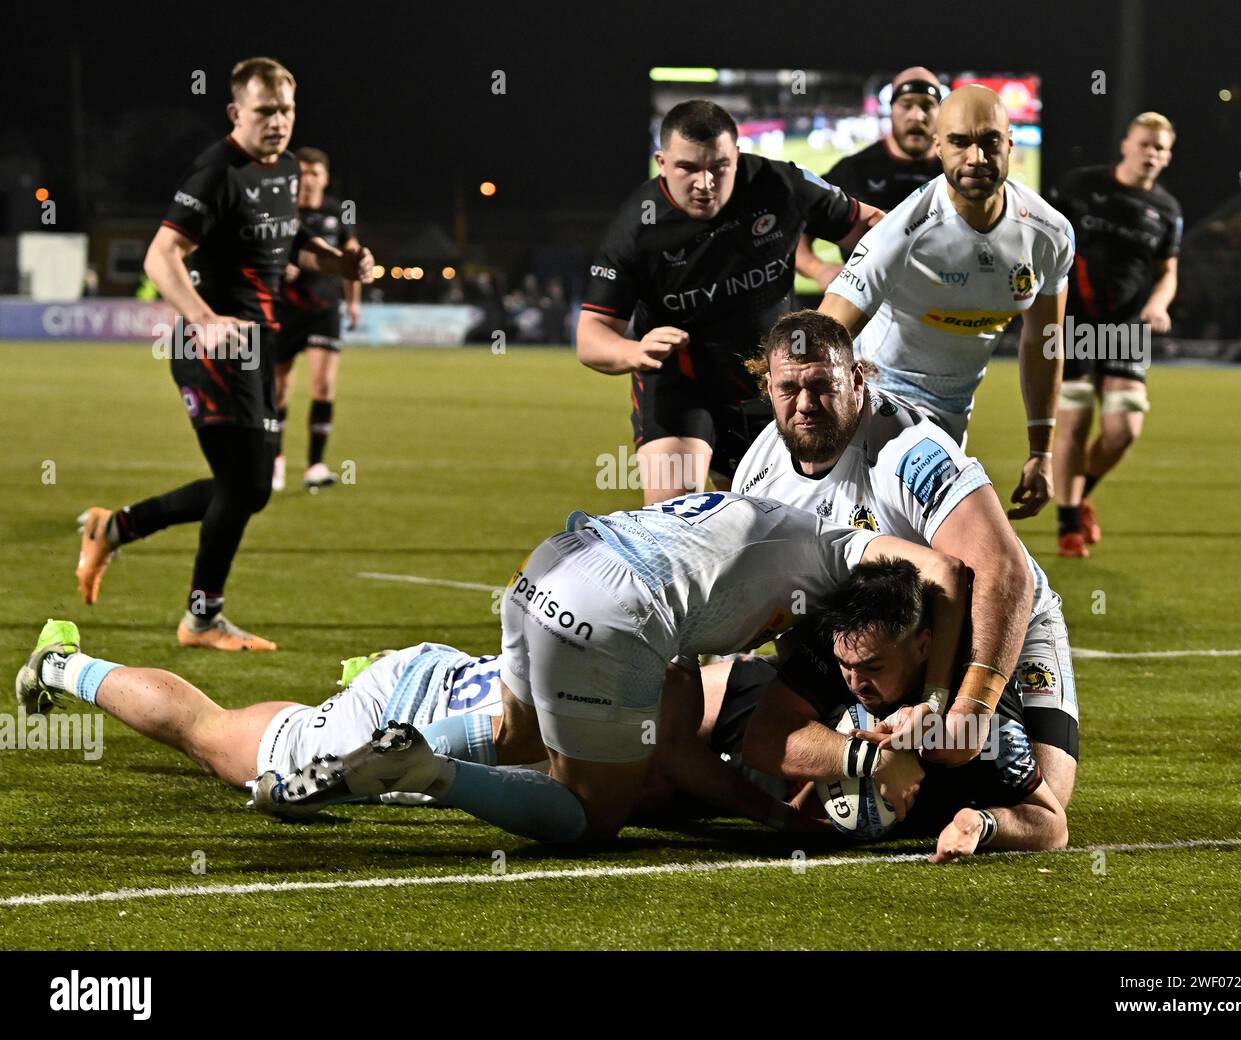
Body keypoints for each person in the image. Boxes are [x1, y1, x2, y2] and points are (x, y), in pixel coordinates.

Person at [252, 492, 971, 844]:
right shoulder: (844, 549)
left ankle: (345, 772)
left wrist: (777, 821)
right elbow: (946, 570)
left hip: (550, 567)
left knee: (515, 734)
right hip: (617, 609)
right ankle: (429, 772)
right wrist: (937, 701)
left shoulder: (753, 555)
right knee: (592, 819)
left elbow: (681, 741)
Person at [74, 57, 373, 651]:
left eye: (287, 110)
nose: (279, 122)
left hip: (256, 341)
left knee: (252, 488)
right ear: (237, 112)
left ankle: (115, 527)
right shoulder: (215, 171)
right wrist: (204, 320)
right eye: (266, 111)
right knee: (242, 486)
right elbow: (163, 255)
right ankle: (201, 618)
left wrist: (339, 264)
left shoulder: (286, 169)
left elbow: (289, 246)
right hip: (209, 343)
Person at [733, 311, 1079, 807]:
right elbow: (789, 611)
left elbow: (1003, 573)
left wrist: (965, 707)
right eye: (789, 388)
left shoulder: (909, 451)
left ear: (855, 378)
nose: (805, 404)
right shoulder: (759, 473)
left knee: (1041, 804)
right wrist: (833, 712)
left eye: (822, 385)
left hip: (1003, 625)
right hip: (890, 646)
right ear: (768, 387)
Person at [12, 620, 809, 834]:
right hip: (423, 714)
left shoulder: (704, 687)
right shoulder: (687, 723)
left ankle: (372, 688)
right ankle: (59, 666)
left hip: (443, 676)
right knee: (213, 737)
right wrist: (773, 812)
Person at [577, 100, 882, 504]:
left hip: (772, 379)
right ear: (662, 161)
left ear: (736, 156)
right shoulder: (637, 228)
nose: (704, 182)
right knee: (673, 517)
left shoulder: (780, 184)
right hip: (679, 383)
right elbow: (591, 336)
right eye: (688, 168)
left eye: (718, 167)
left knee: (777, 518)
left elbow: (872, 227)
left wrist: (860, 289)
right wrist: (634, 350)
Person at [818, 84, 1075, 520]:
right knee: (963, 549)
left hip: (951, 415)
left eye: (990, 141)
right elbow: (824, 336)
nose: (976, 158)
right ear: (938, 148)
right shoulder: (898, 236)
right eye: (959, 142)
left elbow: (1043, 342)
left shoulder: (1048, 234)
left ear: (1011, 143)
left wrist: (1041, 451)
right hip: (879, 402)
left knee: (909, 567)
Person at [745, 559, 1068, 863]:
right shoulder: (836, 648)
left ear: (923, 645)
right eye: (846, 666)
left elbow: (1052, 825)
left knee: (1055, 789)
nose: (856, 682)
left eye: (873, 666)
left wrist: (981, 824)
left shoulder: (975, 722)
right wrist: (871, 761)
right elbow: (761, 741)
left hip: (1024, 624)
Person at [1049, 112, 1182, 557]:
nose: (1152, 154)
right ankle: (1068, 525)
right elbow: (1042, 236)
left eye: (1160, 149)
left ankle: (1079, 492)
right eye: (1145, 144)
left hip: (1126, 325)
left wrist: (1159, 303)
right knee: (1074, 418)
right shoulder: (1079, 186)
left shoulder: (1167, 211)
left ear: (1168, 156)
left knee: (1124, 428)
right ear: (1126, 144)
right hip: (1073, 319)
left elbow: (1167, 272)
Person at [794, 67, 944, 286]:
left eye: (927, 105)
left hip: (940, 308)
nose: (917, 115)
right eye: (907, 104)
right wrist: (819, 269)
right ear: (891, 109)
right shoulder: (853, 170)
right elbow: (797, 225)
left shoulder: (958, 172)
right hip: (868, 313)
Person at [272, 146, 363, 491]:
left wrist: (353, 303)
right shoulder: (279, 210)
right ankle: (275, 461)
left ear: (325, 178)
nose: (308, 179)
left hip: (324, 310)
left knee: (323, 386)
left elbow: (351, 258)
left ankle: (315, 465)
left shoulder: (338, 211)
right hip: (283, 310)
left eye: (315, 173)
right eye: (302, 172)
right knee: (279, 390)